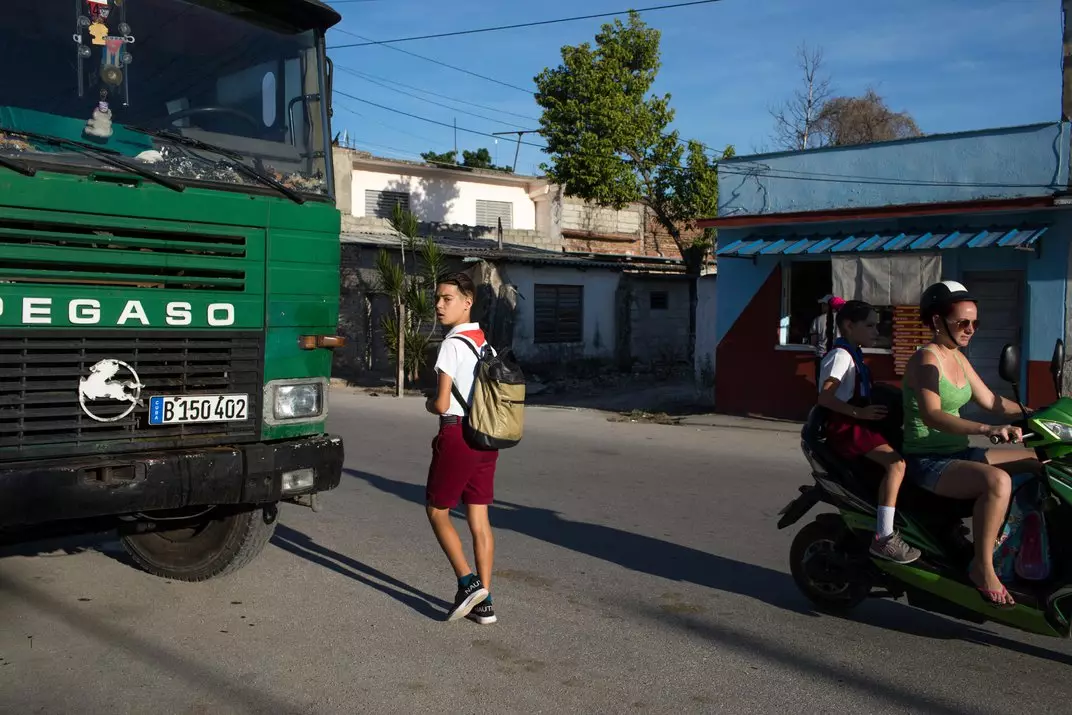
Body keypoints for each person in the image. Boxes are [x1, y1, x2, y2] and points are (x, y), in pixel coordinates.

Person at [902, 280, 1040, 609]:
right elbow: (933, 415)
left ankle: (1017, 548)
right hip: (928, 460)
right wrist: (986, 429)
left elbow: (992, 401)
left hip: (958, 453)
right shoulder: (927, 360)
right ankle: (983, 567)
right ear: (937, 322)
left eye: (975, 322)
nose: (971, 329)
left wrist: (1039, 415)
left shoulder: (959, 358)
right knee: (997, 481)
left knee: (1037, 463)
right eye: (963, 323)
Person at [817, 299, 921, 564]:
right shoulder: (840, 357)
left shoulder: (854, 354)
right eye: (871, 325)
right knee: (896, 465)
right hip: (847, 427)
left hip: (859, 423)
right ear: (849, 326)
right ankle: (884, 538)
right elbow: (825, 398)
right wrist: (860, 413)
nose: (877, 331)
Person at [424, 272, 499, 625]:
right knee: (479, 520)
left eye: (447, 298)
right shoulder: (487, 345)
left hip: (457, 435)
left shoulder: (451, 345)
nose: (439, 305)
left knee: (437, 511)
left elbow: (441, 404)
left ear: (467, 302)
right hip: (486, 440)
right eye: (438, 298)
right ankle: (485, 602)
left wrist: (430, 403)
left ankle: (468, 583)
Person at [810, 295, 843, 381]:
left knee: (821, 385)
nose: (821, 307)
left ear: (827, 306)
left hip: (822, 356)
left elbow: (813, 342)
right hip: (838, 355)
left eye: (823, 304)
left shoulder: (817, 320)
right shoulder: (843, 320)